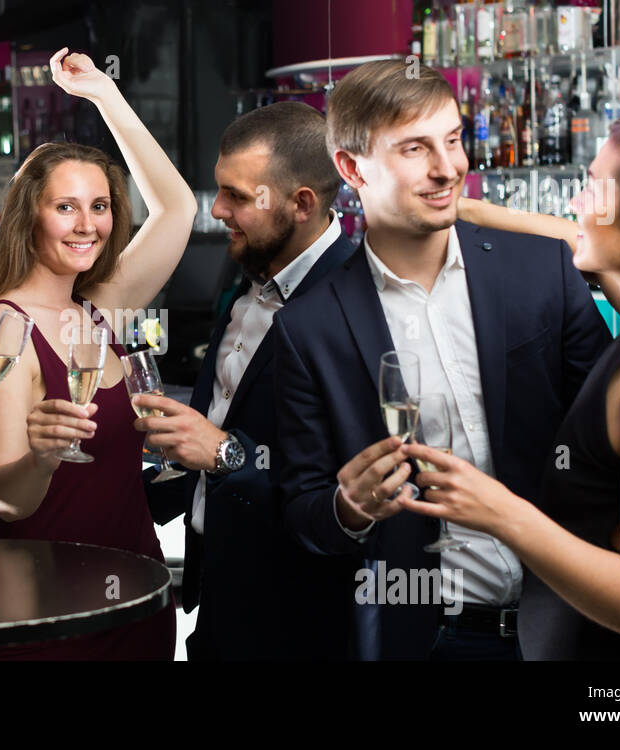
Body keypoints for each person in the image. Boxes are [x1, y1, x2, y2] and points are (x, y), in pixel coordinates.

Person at [272, 59, 613, 660]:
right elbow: (304, 513)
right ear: (352, 169)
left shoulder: (540, 273)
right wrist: (348, 507)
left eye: (453, 140)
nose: (447, 167)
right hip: (434, 642)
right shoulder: (309, 327)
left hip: (574, 625)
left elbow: (618, 430)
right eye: (415, 148)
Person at [396, 109, 620, 659]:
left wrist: (500, 512)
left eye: (591, 190)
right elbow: (567, 235)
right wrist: (456, 208)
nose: (574, 205)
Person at [0, 48, 196, 659]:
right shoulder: (4, 325)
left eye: (100, 206)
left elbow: (178, 207)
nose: (87, 224)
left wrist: (103, 96)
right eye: (65, 206)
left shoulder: (97, 307)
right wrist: (41, 455)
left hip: (137, 595)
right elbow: (6, 497)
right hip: (51, 609)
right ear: (26, 215)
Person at [131, 101, 359, 659]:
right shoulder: (243, 286)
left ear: (301, 203)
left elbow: (353, 493)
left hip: (305, 621)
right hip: (221, 609)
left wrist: (226, 452)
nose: (217, 209)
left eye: (236, 195)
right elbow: (207, 452)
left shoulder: (359, 306)